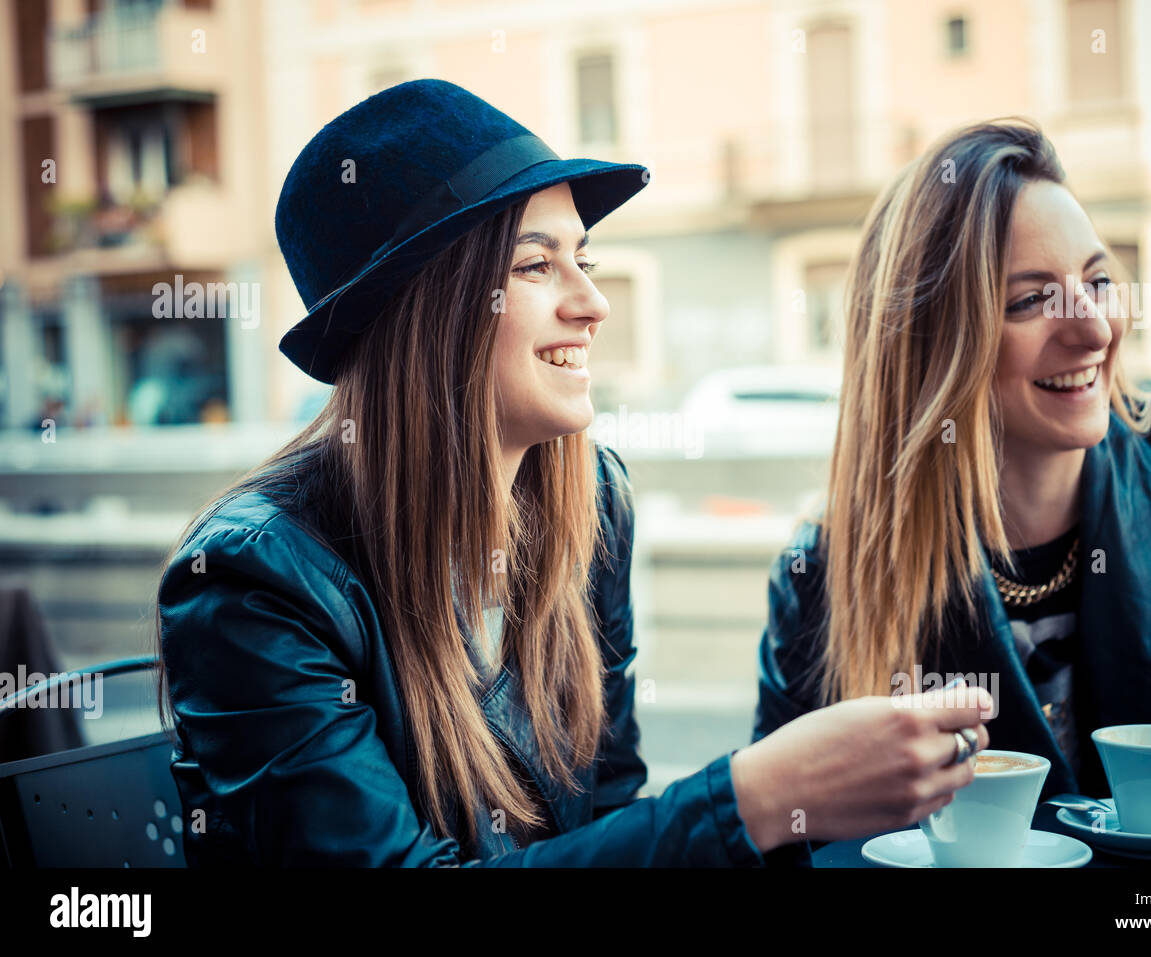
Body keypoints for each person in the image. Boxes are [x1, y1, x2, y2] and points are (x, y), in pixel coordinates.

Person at [151, 79, 991, 867]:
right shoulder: (254, 581)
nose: (592, 302)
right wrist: (757, 798)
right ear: (429, 311)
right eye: (535, 264)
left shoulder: (592, 507)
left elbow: (609, 816)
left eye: (583, 257)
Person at [754, 118, 1151, 821]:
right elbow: (779, 842)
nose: (1095, 329)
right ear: (931, 345)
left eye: (1098, 281)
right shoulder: (825, 574)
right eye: (1032, 299)